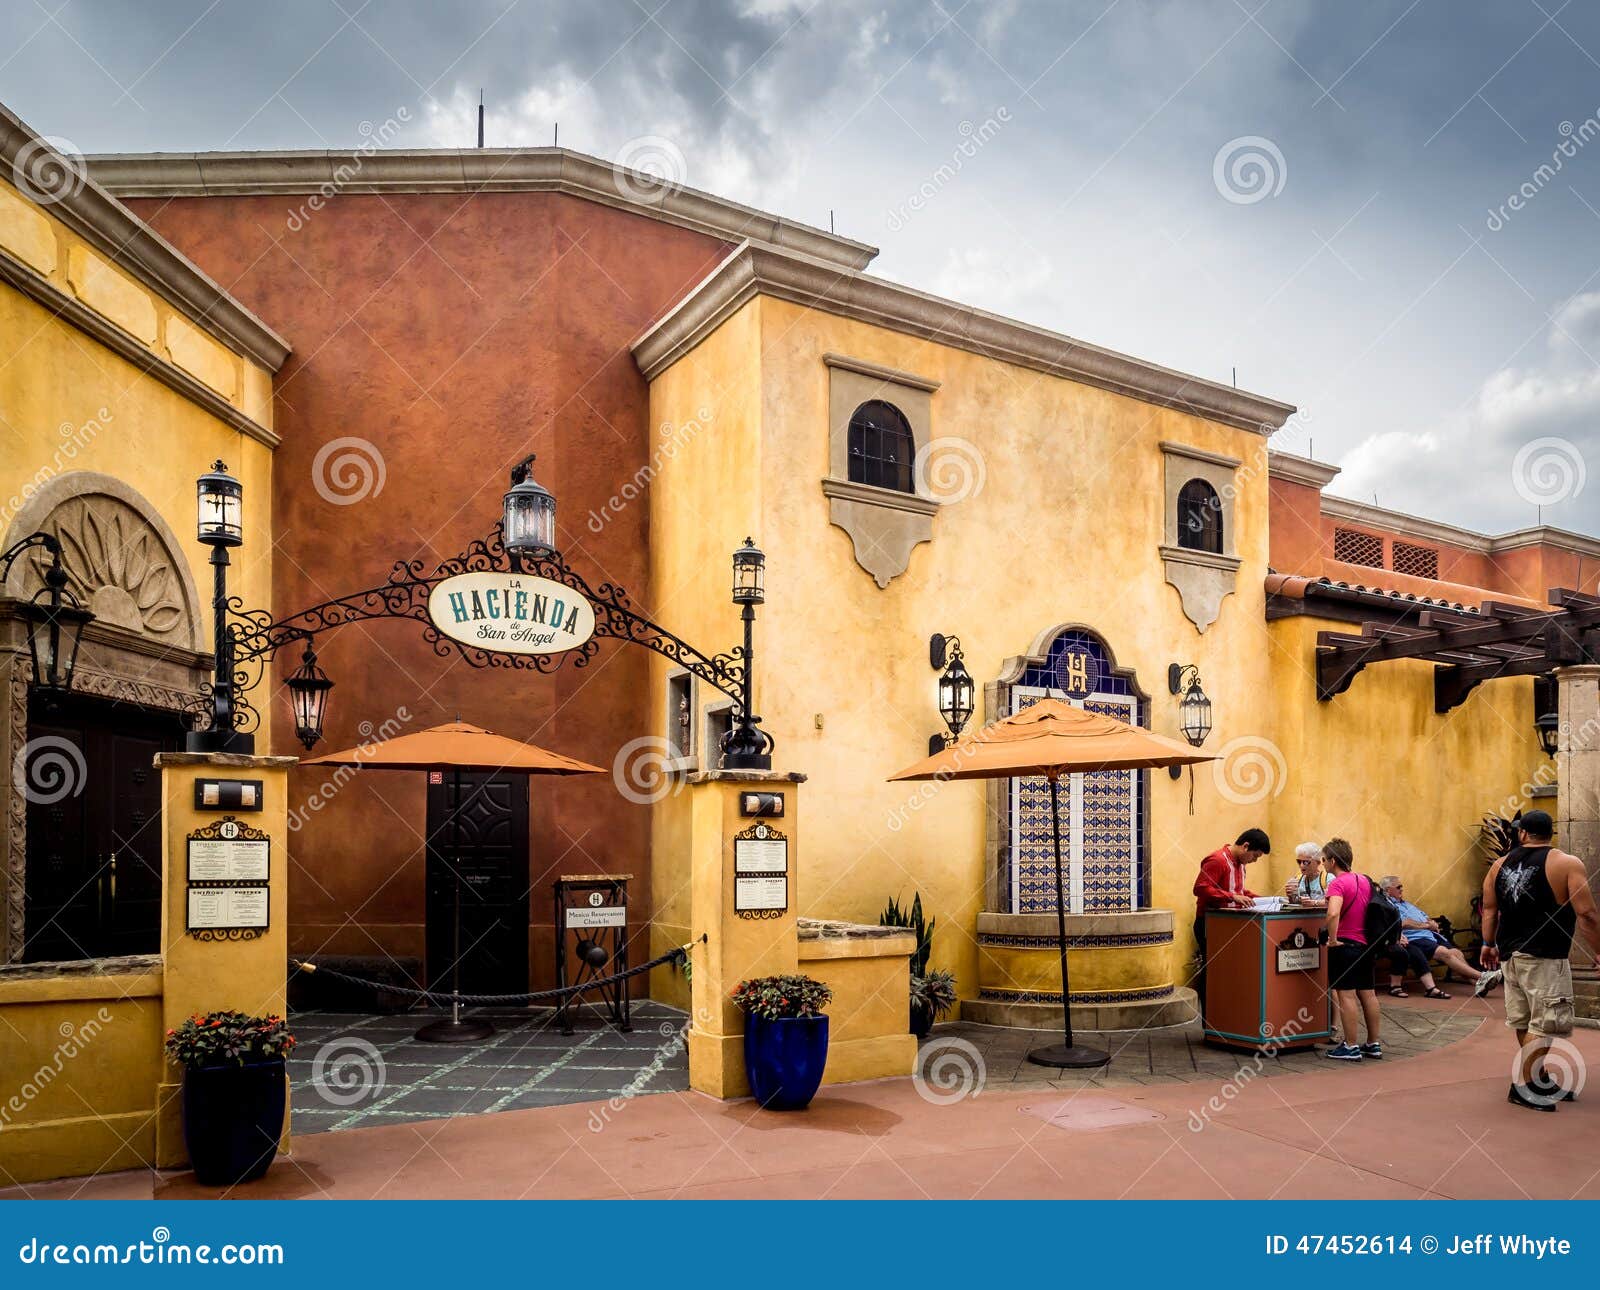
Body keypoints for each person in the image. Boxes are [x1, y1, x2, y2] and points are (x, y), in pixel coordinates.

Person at [1481, 810, 1600, 1112]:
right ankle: (1523, 1086)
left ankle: (1539, 1079)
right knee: (1544, 1024)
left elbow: (1490, 910)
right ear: (1550, 833)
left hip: (1510, 955)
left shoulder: (1498, 865)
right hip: (1545, 955)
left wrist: (1487, 944)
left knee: (1525, 1021)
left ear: (1522, 833)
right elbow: (1586, 914)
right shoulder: (1566, 863)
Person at [1192, 828, 1270, 1023]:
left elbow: (1238, 890)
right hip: (1210, 924)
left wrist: (1264, 900)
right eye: (1255, 855)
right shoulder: (1217, 860)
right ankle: (1211, 1020)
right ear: (1245, 846)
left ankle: (1229, 1018)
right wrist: (1232, 896)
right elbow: (1200, 888)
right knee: (1214, 972)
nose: (1254, 860)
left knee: (1230, 972)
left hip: (1230, 925)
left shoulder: (1240, 864)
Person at [1378, 875, 1490, 998]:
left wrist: (1431, 923)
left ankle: (1477, 983)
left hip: (1431, 936)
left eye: (1401, 887)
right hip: (1416, 939)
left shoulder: (1407, 904)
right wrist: (1426, 926)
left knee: (1456, 953)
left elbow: (1425, 917)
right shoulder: (1389, 906)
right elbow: (1404, 923)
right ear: (1388, 890)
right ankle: (1482, 976)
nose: (1401, 889)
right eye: (1398, 887)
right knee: (1444, 952)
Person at [1323, 837, 1383, 1061]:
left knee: (1346, 995)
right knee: (1368, 994)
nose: (1324, 864)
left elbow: (1333, 913)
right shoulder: (1364, 880)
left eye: (1324, 860)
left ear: (1331, 860)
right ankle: (1373, 1043)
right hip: (1365, 945)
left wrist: (1332, 939)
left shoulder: (1337, 883)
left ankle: (1350, 1045)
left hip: (1345, 946)